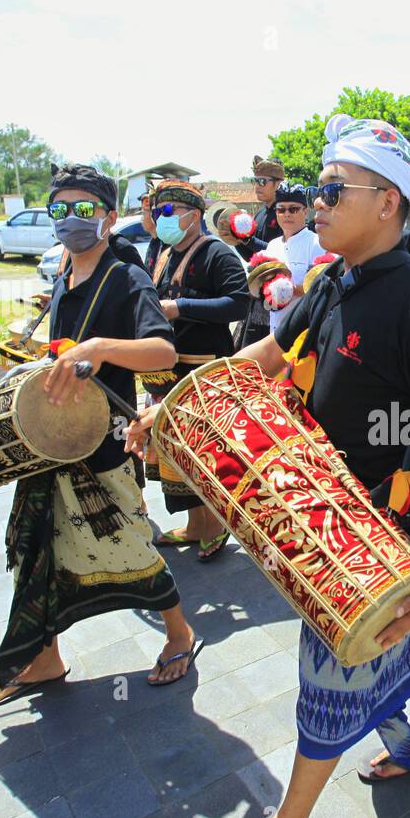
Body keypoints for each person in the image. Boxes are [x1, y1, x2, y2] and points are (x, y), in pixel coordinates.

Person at [128, 115, 410, 818]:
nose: (313, 203)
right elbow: (270, 349)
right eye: (316, 189)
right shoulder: (335, 281)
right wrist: (180, 403)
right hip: (329, 504)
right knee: (404, 639)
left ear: (388, 201)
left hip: (381, 532)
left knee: (330, 672)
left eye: (332, 189)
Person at [0, 164, 199, 707]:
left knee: (130, 545)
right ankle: (44, 657)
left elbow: (163, 352)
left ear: (107, 217)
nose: (71, 220)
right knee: (42, 550)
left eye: (84, 210)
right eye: (60, 210)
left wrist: (99, 347)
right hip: (51, 439)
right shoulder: (62, 274)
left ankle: (180, 634)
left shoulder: (127, 277)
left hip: (102, 443)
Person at [141, 179, 249, 562]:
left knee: (204, 454)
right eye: (158, 212)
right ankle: (194, 524)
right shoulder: (164, 252)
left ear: (194, 216)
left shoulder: (218, 254)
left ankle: (216, 526)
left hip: (205, 372)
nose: (161, 218)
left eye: (168, 211)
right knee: (175, 456)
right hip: (168, 370)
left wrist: (182, 306)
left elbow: (238, 304)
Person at [260, 182, 325, 332]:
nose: (287, 214)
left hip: (304, 332)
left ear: (305, 211)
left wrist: (289, 288)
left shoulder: (317, 244)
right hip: (274, 329)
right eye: (281, 209)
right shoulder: (272, 245)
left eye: (293, 209)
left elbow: (322, 291)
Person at [251, 155, 285, 243]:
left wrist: (248, 241)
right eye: (255, 181)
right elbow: (251, 255)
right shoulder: (260, 213)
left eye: (262, 181)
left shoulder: (287, 213)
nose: (257, 186)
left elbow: (283, 251)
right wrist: (236, 239)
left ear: (278, 184)